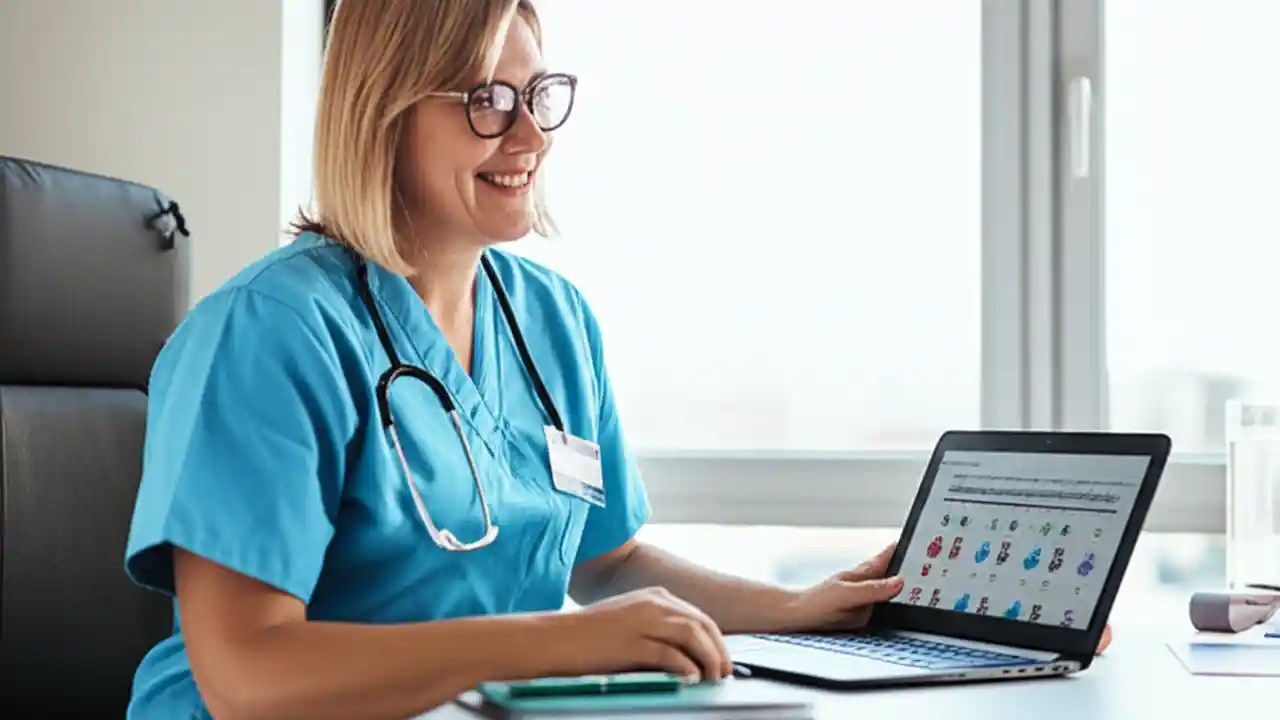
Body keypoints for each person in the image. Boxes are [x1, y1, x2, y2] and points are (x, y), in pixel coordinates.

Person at [123, 1, 1108, 717]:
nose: (528, 135)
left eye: (538, 93)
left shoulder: (550, 317)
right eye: (485, 98)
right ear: (383, 110)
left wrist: (796, 610)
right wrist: (559, 643)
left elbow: (608, 559)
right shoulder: (266, 334)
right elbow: (248, 675)